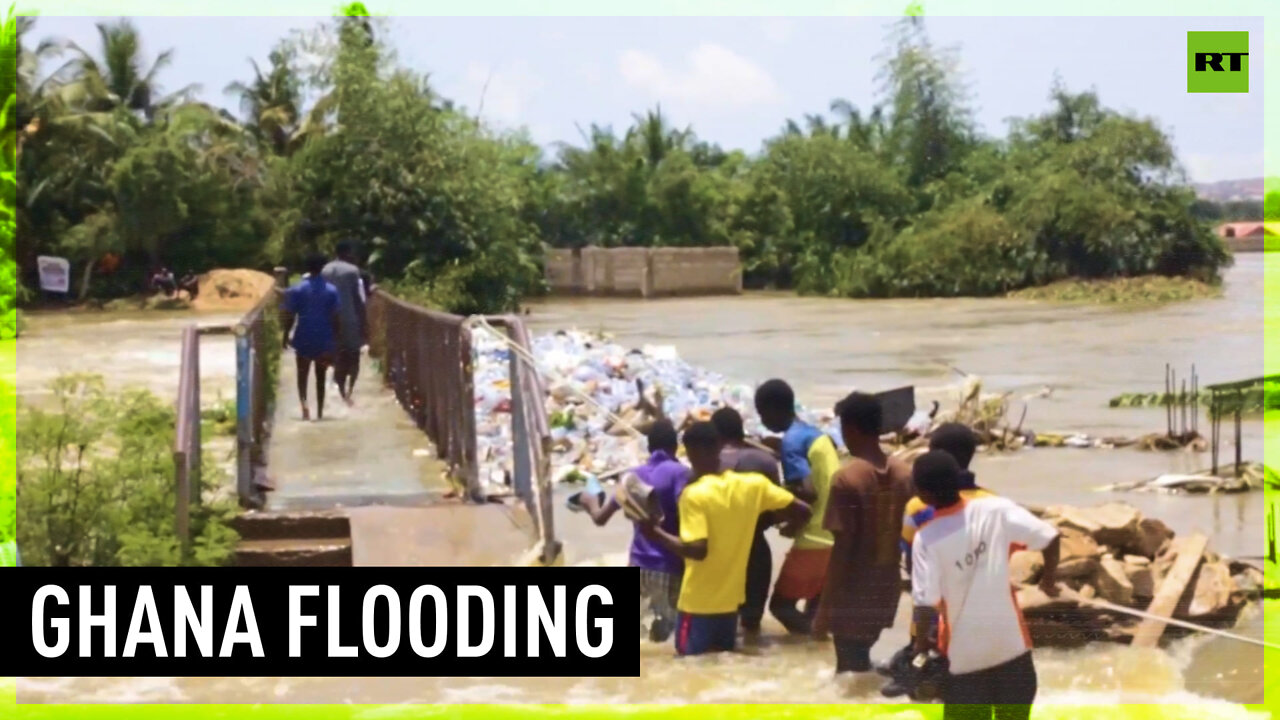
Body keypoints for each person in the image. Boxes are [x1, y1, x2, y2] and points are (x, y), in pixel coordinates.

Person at [636, 421, 812, 656]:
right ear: (719, 447)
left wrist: (655, 534)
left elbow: (698, 549)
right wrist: (786, 527)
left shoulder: (695, 495)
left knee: (691, 671)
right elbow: (803, 511)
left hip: (697, 605)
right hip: (730, 605)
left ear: (690, 452)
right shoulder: (753, 485)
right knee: (721, 664)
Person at [910, 450, 1061, 720]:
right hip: (1014, 655)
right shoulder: (996, 509)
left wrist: (920, 645)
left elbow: (924, 605)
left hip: (966, 665)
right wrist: (1049, 582)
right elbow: (1050, 538)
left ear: (923, 494)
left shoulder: (927, 539)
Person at [881, 422, 998, 690]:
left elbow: (911, 561)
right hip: (977, 614)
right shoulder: (992, 500)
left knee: (921, 681)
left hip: (930, 616)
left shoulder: (919, 505)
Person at [816, 392, 915, 674]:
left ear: (851, 429)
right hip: (887, 589)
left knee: (849, 674)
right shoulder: (906, 474)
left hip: (853, 594)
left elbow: (842, 551)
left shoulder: (847, 479)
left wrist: (824, 609)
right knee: (861, 666)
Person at [579, 419, 690, 643]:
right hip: (669, 565)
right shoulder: (680, 473)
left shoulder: (632, 475)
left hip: (637, 565)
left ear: (648, 448)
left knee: (639, 640)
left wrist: (589, 502)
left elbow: (600, 518)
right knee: (666, 641)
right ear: (675, 446)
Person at [753, 379, 840, 635]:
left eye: (762, 414)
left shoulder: (792, 441)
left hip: (812, 537)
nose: (762, 420)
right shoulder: (815, 435)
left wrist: (791, 522)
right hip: (834, 536)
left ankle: (815, 645)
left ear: (772, 409)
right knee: (815, 608)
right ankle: (817, 659)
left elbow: (808, 492)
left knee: (780, 606)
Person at [710, 406, 781, 634]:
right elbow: (776, 512)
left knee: (720, 626)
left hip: (721, 553)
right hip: (756, 550)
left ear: (715, 434)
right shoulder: (765, 461)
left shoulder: (708, 462)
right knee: (751, 626)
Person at [281, 254, 341, 421]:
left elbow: (289, 316)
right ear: (322, 268)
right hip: (324, 337)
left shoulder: (296, 289)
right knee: (320, 377)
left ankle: (304, 407)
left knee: (302, 375)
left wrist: (285, 336)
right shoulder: (331, 290)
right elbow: (336, 318)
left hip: (303, 336)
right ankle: (320, 411)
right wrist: (336, 340)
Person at [322, 241, 368, 406]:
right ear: (348, 253)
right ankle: (348, 392)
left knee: (336, 356)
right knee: (353, 355)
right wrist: (364, 324)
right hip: (349, 318)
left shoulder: (325, 270)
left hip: (328, 319)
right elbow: (359, 299)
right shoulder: (353, 271)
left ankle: (338, 390)